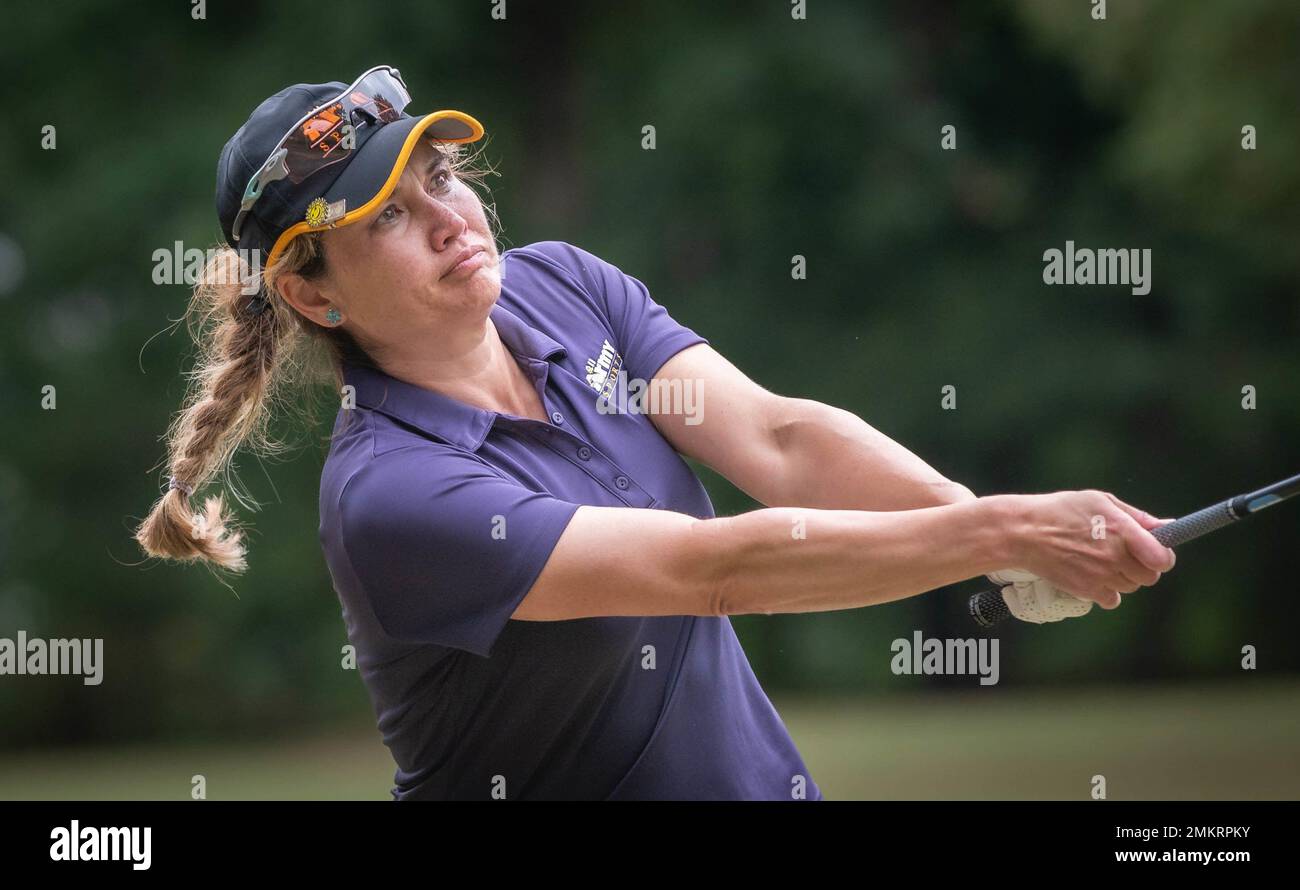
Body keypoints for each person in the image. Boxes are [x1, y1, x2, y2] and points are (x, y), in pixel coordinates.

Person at [134, 65, 1177, 800]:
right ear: (311, 296)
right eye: (386, 220)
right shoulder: (391, 496)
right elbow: (713, 568)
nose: (452, 218)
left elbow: (779, 439)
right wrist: (1000, 533)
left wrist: (989, 530)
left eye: (439, 180)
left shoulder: (563, 287)